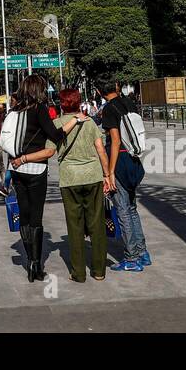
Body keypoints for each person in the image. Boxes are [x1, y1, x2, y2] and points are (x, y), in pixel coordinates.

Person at [1, 73, 87, 281]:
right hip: (36, 169)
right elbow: (55, 136)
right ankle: (36, 265)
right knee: (36, 217)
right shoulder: (38, 109)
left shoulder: (16, 110)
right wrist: (75, 120)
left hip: (17, 169)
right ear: (38, 90)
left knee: (24, 214)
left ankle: (29, 258)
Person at [47, 87, 110, 282]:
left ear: (61, 103)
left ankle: (79, 272)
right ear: (78, 102)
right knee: (97, 223)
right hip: (92, 176)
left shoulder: (56, 124)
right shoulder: (89, 122)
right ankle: (99, 271)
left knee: (74, 226)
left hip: (69, 179)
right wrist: (107, 174)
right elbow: (101, 150)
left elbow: (49, 150)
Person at [101, 84, 150, 271]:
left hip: (119, 160)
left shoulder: (108, 109)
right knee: (132, 208)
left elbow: (115, 140)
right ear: (115, 85)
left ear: (99, 92)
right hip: (134, 159)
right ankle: (142, 252)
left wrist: (110, 172)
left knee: (122, 210)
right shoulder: (129, 102)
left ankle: (131, 258)